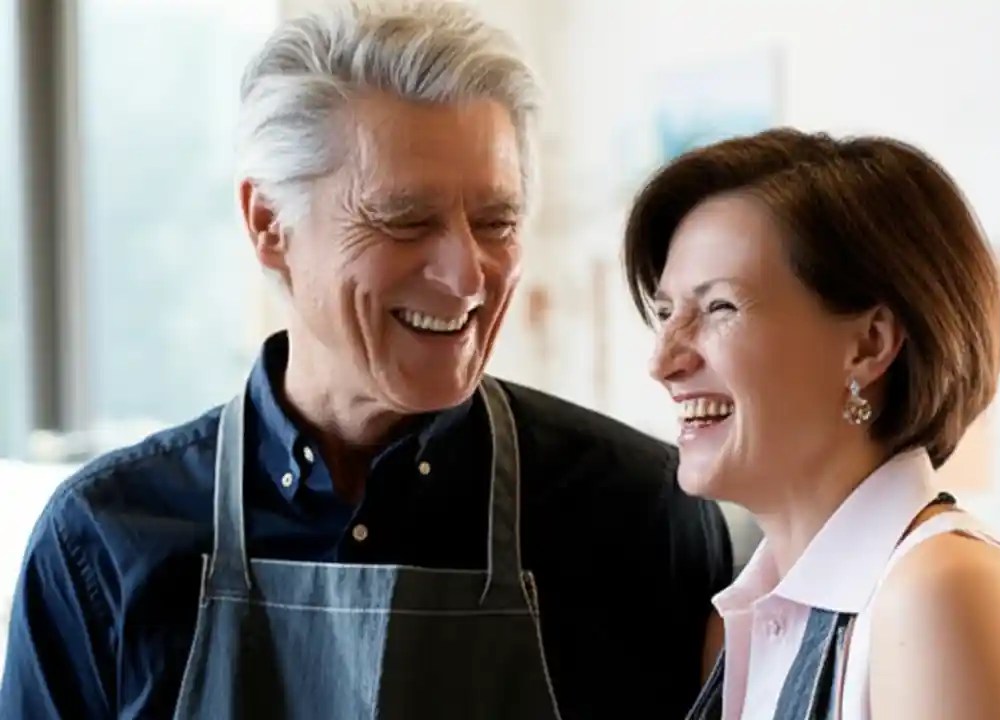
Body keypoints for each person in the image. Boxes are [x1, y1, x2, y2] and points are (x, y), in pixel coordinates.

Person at [0, 2, 732, 718]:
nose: (467, 276)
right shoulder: (99, 542)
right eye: (406, 220)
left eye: (495, 222)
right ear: (268, 225)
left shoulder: (641, 515)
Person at [625, 129, 1000, 719]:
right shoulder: (762, 610)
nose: (664, 362)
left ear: (869, 345)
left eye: (719, 308)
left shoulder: (938, 591)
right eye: (665, 313)